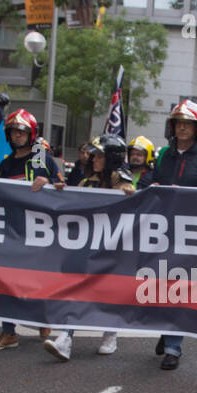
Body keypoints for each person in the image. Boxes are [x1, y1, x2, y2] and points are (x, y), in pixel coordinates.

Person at [140, 99, 197, 370]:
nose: (182, 128)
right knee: (160, 283)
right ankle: (166, 330)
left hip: (191, 232)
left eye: (188, 123)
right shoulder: (163, 154)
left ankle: (174, 346)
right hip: (162, 230)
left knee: (181, 287)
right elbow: (147, 182)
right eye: (178, 123)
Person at [43, 133, 133, 361]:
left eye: (99, 155)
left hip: (114, 249)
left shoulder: (124, 182)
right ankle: (66, 338)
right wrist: (61, 191)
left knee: (109, 291)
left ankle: (110, 333)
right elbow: (75, 204)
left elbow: (130, 207)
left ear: (111, 157)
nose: (93, 159)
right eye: (93, 155)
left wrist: (127, 194)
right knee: (76, 288)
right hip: (87, 247)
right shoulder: (85, 181)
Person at [0, 108, 62, 350]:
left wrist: (47, 181)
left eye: (21, 131)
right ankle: (9, 332)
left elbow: (60, 184)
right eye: (13, 131)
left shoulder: (39, 154)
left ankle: (43, 318)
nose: (17, 135)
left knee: (38, 279)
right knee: (7, 280)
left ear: (31, 133)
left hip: (39, 232)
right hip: (12, 231)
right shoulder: (5, 163)